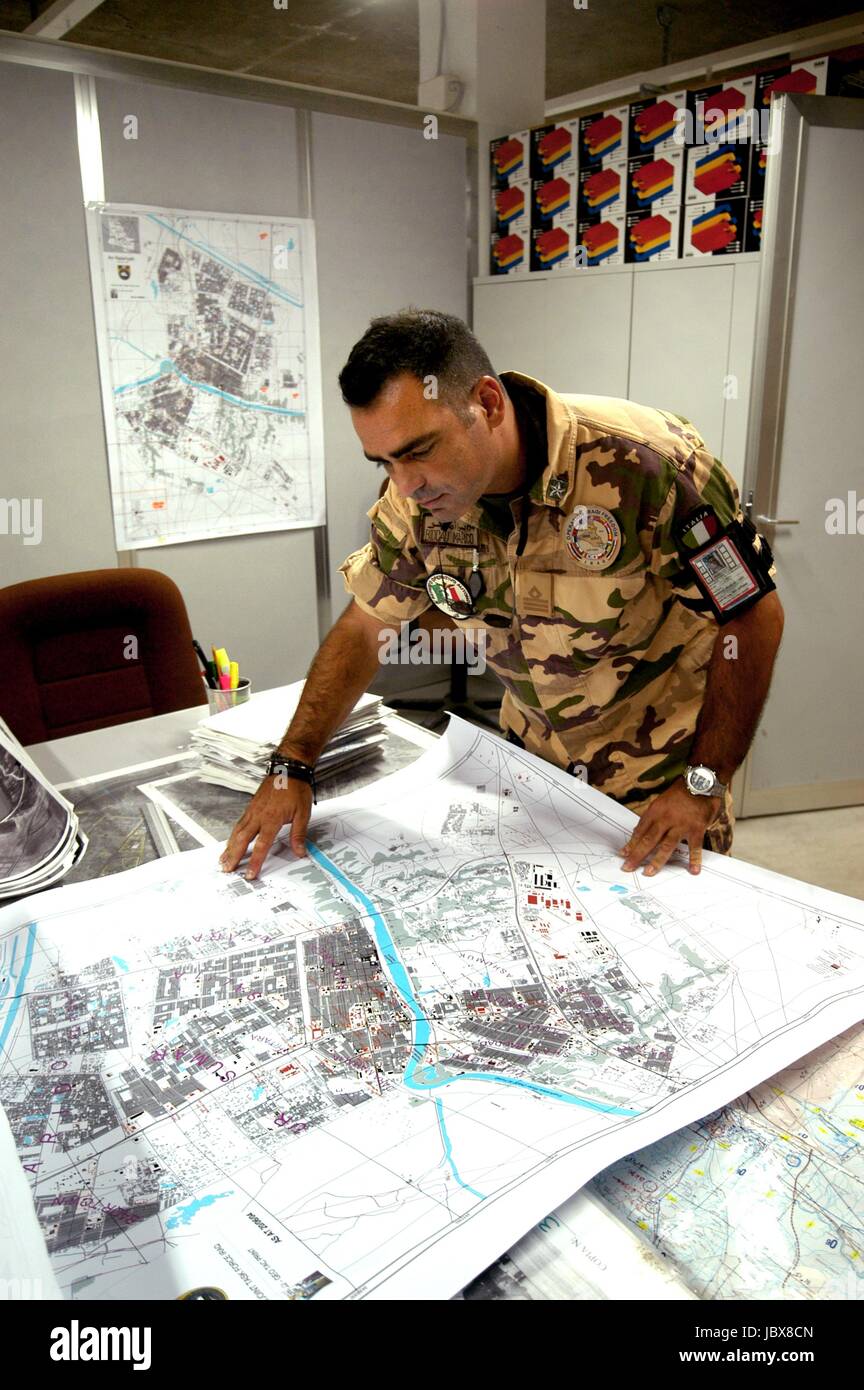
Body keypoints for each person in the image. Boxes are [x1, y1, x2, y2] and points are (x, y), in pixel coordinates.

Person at [221, 308, 784, 882]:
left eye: (417, 450)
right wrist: (292, 765)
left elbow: (752, 616)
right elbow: (366, 627)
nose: (404, 484)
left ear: (487, 404)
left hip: (660, 792)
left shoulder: (645, 465)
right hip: (532, 782)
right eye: (384, 461)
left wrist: (703, 784)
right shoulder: (416, 502)